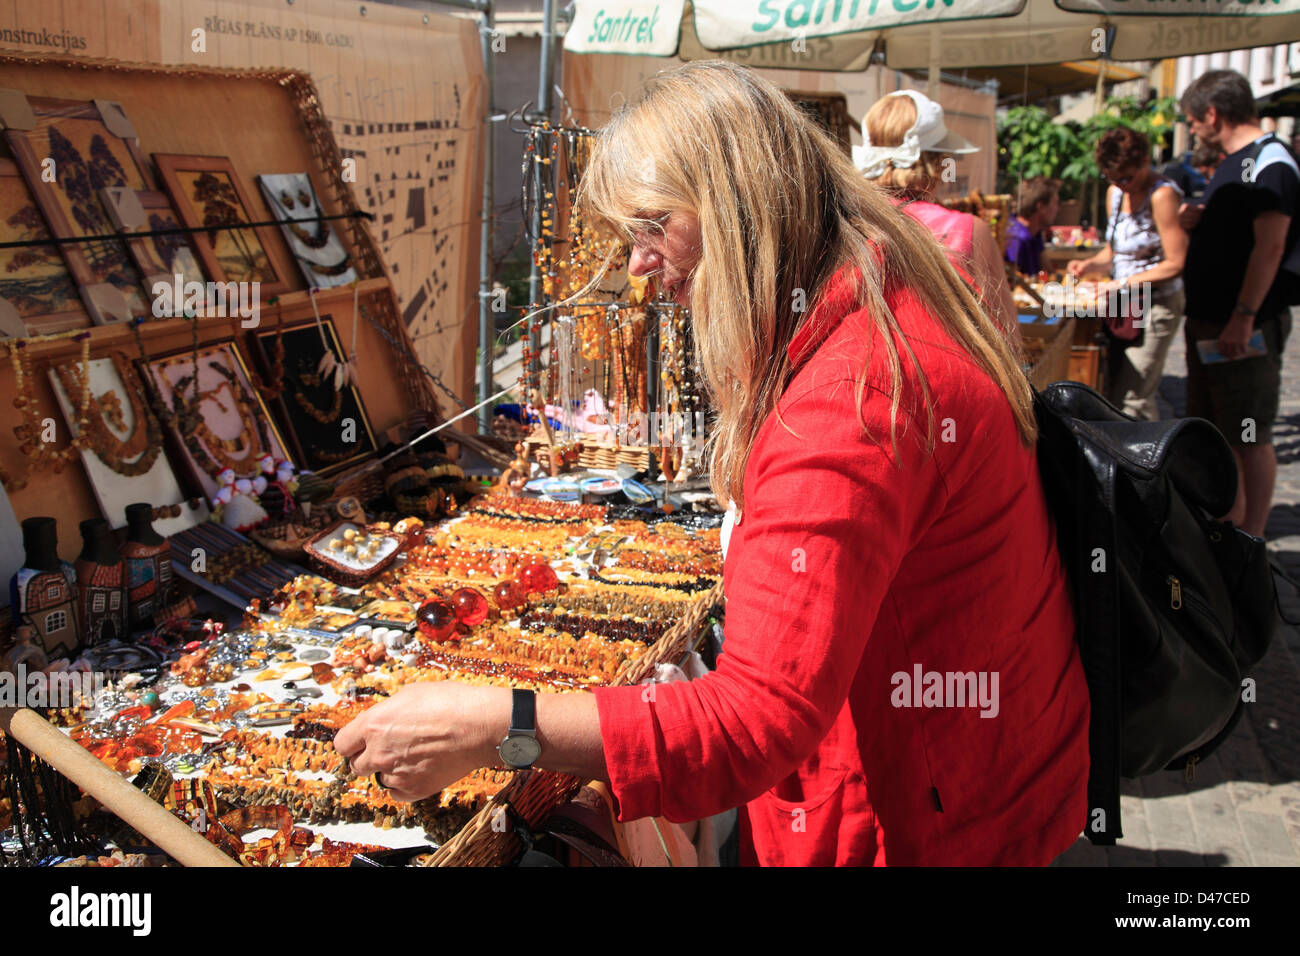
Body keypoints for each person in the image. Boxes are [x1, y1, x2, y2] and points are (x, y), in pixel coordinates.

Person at [333, 61, 1090, 866]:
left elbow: (752, 724)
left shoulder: (852, 400)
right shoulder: (885, 285)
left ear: (737, 209)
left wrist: (496, 727)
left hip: (919, 817)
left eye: (653, 225)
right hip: (987, 771)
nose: (637, 265)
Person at [1180, 70, 1300, 538]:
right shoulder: (1238, 162)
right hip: (1214, 321)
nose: (1192, 130)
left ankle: (1250, 532)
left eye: (1193, 121)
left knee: (1250, 432)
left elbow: (1270, 247)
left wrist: (1243, 317)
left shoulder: (1271, 162)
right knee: (1223, 429)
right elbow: (1242, 230)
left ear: (1213, 114)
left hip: (1242, 324)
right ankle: (1230, 520)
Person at [856, 89, 1020, 343]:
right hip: (946, 378)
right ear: (937, 161)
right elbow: (1007, 337)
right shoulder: (967, 229)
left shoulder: (846, 222)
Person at [1068, 126, 1188, 421]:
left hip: (1155, 304)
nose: (1122, 185)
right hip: (1124, 304)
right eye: (1113, 179)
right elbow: (1114, 251)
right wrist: (1090, 265)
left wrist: (1120, 284)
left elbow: (1175, 262)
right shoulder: (1116, 194)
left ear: (1145, 161)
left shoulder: (1162, 195)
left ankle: (1147, 459)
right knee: (1113, 391)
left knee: (1133, 396)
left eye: (1127, 177)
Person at [1005, 176, 1060, 277]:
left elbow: (1050, 273)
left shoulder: (1035, 233)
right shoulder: (1016, 239)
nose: (1058, 209)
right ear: (1040, 207)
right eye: (1055, 203)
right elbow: (1012, 282)